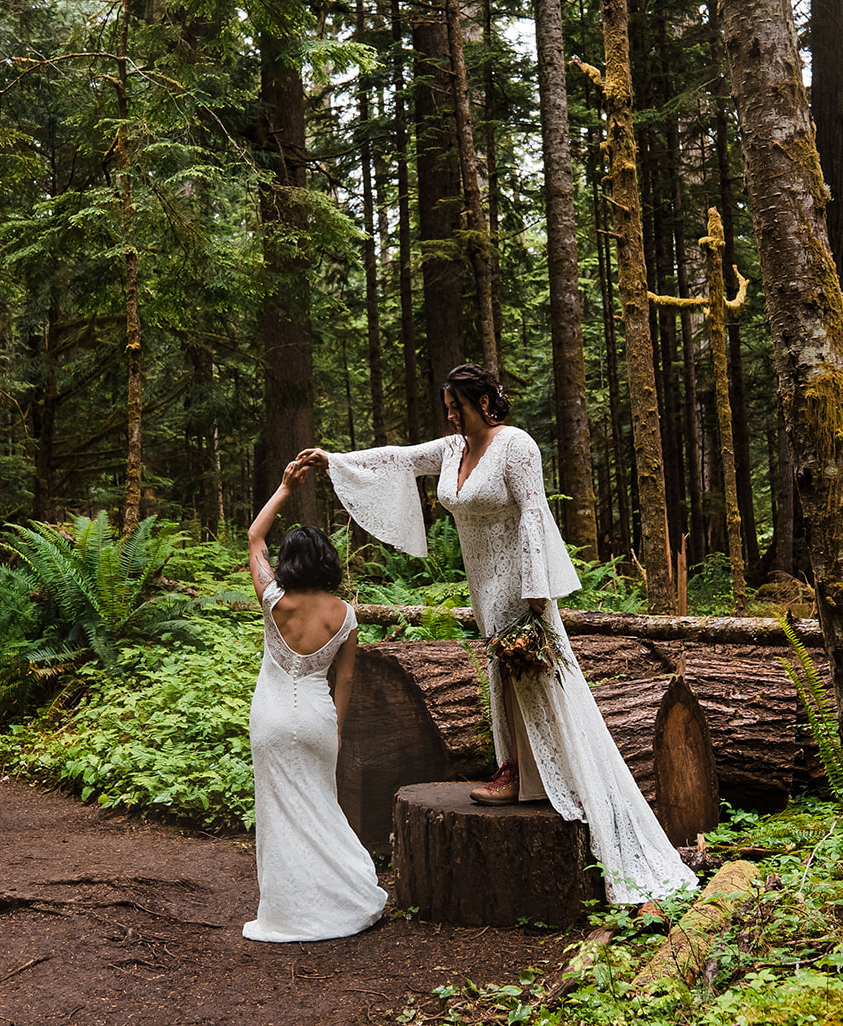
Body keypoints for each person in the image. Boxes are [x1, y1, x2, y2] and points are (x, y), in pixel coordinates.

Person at [296, 364, 698, 906]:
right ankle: (516, 773)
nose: (451, 416)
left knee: (536, 676)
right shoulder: (452, 449)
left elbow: (534, 517)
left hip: (521, 582)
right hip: (483, 584)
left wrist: (539, 593)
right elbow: (400, 458)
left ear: (483, 402)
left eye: (457, 406)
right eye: (447, 408)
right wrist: (333, 460)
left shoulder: (517, 447)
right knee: (502, 675)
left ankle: (562, 780)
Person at [242, 461, 387, 942]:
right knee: (323, 807)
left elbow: (254, 536)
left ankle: (286, 912)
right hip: (319, 717)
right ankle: (345, 894)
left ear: (288, 561)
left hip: (272, 716)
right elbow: (343, 680)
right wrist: (337, 728)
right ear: (327, 561)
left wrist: (284, 488)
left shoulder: (273, 598)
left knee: (279, 814)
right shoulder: (345, 615)